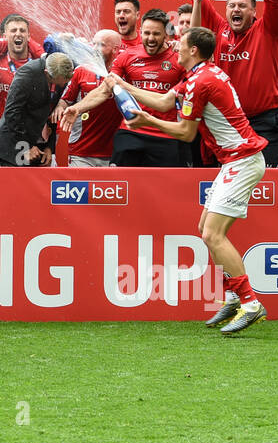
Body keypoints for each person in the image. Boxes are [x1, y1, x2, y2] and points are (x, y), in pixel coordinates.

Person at [108, 27, 269, 336]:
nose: (175, 49)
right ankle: (234, 296)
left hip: (243, 160)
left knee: (213, 234)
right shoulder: (201, 74)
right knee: (205, 229)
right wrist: (123, 85)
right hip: (236, 161)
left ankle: (250, 303)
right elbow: (167, 101)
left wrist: (145, 122)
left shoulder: (201, 80)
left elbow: (185, 133)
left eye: (180, 45)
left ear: (194, 50)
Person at [188, 0, 278, 166]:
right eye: (231, 5)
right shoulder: (219, 28)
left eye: (242, 6)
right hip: (225, 121)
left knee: (264, 187)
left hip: (264, 121)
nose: (236, 9)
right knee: (222, 183)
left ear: (254, 11)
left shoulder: (267, 29)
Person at [110, 8, 186, 167]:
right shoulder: (127, 55)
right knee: (122, 187)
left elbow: (169, 102)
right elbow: (106, 87)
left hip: (166, 134)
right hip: (131, 131)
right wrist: (77, 107)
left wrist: (125, 86)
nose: (150, 38)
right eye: (146, 33)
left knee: (168, 190)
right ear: (141, 32)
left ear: (166, 34)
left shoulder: (181, 59)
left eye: (156, 34)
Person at [0, 53, 74, 166]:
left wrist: (49, 147)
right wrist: (25, 146)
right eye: (61, 82)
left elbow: (51, 111)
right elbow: (12, 112)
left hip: (39, 147)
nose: (64, 84)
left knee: (39, 184)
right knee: (16, 183)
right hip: (15, 146)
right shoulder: (28, 72)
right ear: (47, 73)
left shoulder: (61, 71)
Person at [56, 30, 122, 166]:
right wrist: (59, 107)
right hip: (81, 152)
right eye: (94, 44)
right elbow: (65, 100)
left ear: (115, 49)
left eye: (101, 45)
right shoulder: (81, 70)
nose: (96, 49)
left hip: (114, 154)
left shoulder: (123, 72)